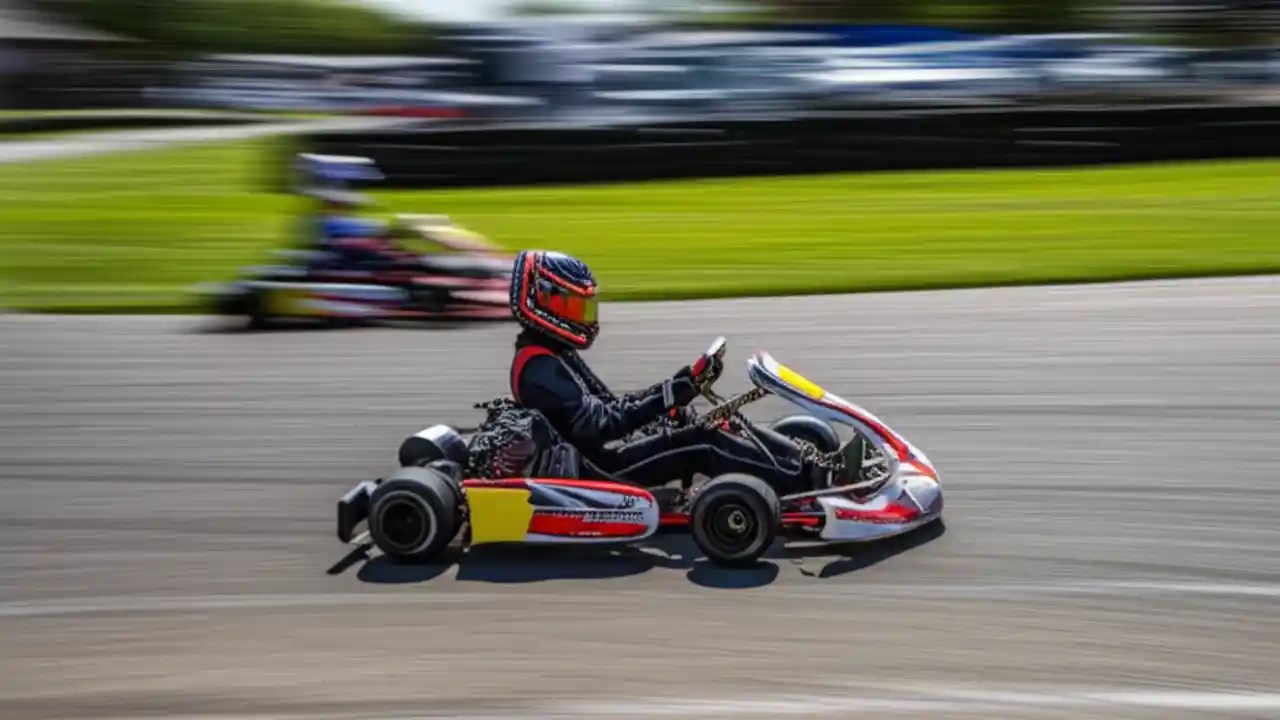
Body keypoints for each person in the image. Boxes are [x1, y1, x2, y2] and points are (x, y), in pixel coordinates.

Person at [507, 250, 842, 494]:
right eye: (574, 306)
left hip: (607, 451)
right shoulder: (539, 369)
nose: (584, 317)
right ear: (542, 303)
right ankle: (806, 483)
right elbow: (601, 425)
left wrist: (676, 392)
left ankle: (802, 459)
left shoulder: (555, 354)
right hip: (603, 471)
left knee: (701, 419)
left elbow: (609, 406)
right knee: (703, 441)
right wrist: (670, 394)